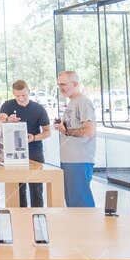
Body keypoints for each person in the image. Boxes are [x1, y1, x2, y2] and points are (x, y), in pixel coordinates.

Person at [0, 79, 52, 206]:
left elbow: (47, 132)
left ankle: (37, 215)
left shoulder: (39, 109)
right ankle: (20, 217)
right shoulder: (7, 105)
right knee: (18, 189)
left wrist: (33, 137)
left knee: (36, 189)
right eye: (17, 96)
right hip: (14, 152)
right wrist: (7, 121)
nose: (20, 98)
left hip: (34, 151)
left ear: (29, 92)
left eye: (23, 95)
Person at [54, 70, 98, 207]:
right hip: (69, 160)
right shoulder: (72, 102)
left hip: (79, 161)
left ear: (75, 84)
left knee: (80, 204)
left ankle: (88, 228)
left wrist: (66, 130)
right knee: (73, 203)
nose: (61, 88)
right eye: (59, 85)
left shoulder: (83, 102)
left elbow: (89, 131)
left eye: (64, 84)